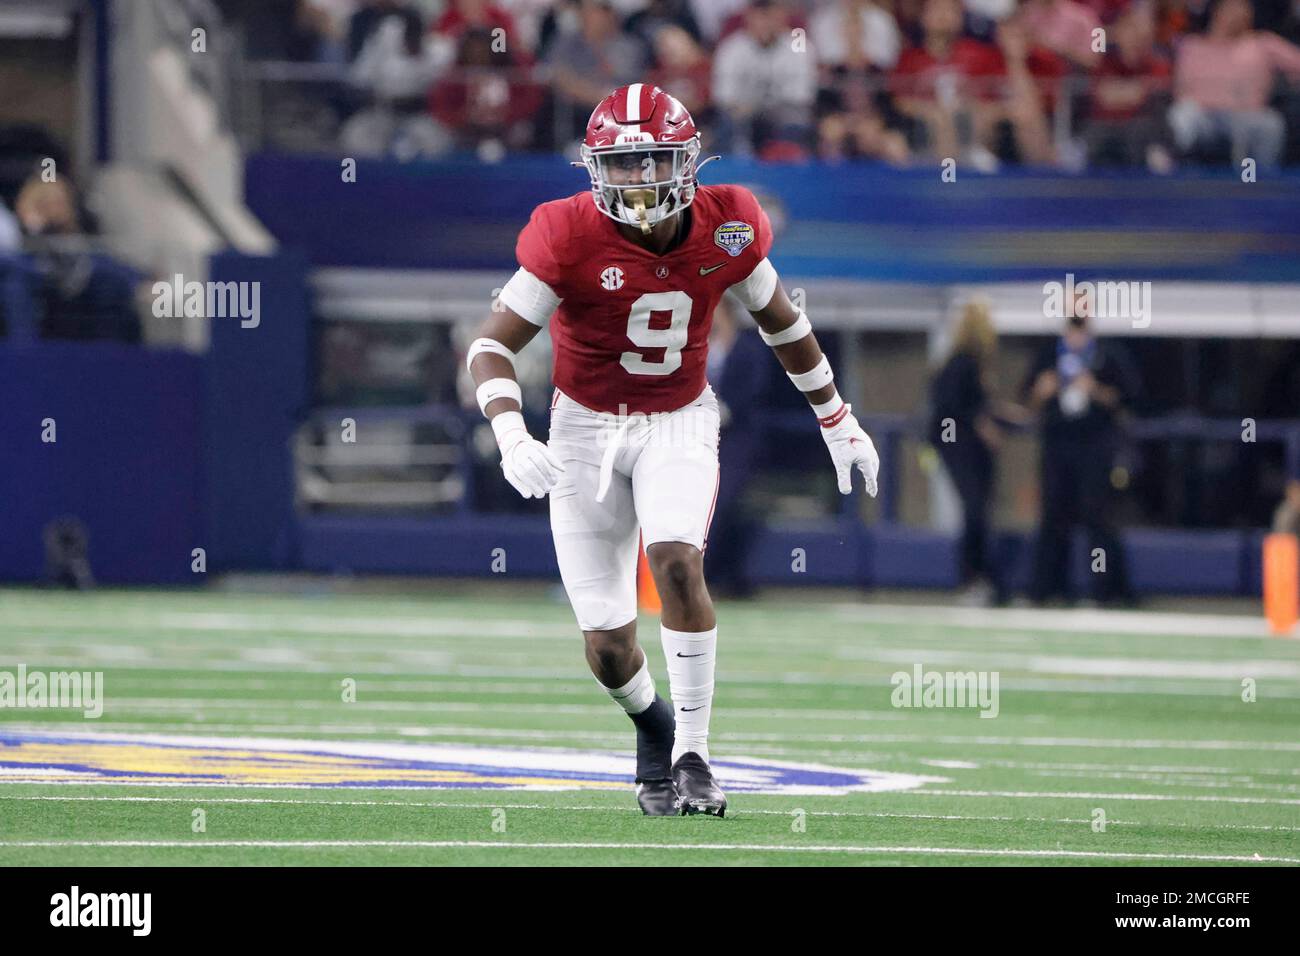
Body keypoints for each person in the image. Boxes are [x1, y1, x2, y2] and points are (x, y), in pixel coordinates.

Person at [466, 84, 880, 815]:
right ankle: (652, 724)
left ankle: (694, 753)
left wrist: (837, 417)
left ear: (687, 161)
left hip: (678, 418)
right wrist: (508, 430)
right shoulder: (565, 233)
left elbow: (783, 324)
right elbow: (490, 348)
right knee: (607, 646)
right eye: (621, 166)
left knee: (677, 561)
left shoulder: (728, 226)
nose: (637, 180)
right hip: (584, 427)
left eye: (652, 161)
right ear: (594, 168)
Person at [1022, 293, 1139, 605]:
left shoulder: (1105, 353)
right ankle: (1047, 591)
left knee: (1096, 517)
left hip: (1094, 446)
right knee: (1052, 517)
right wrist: (1041, 392)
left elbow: (1127, 399)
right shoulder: (1049, 353)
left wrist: (1096, 390)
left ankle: (1104, 591)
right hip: (1057, 444)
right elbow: (1029, 401)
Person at [929, 299, 1014, 605]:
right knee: (975, 509)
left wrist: (1005, 415)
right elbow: (953, 405)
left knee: (979, 511)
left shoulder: (974, 362)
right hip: (957, 445)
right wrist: (982, 424)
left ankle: (985, 581)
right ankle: (973, 580)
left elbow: (978, 403)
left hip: (969, 447)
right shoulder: (961, 361)